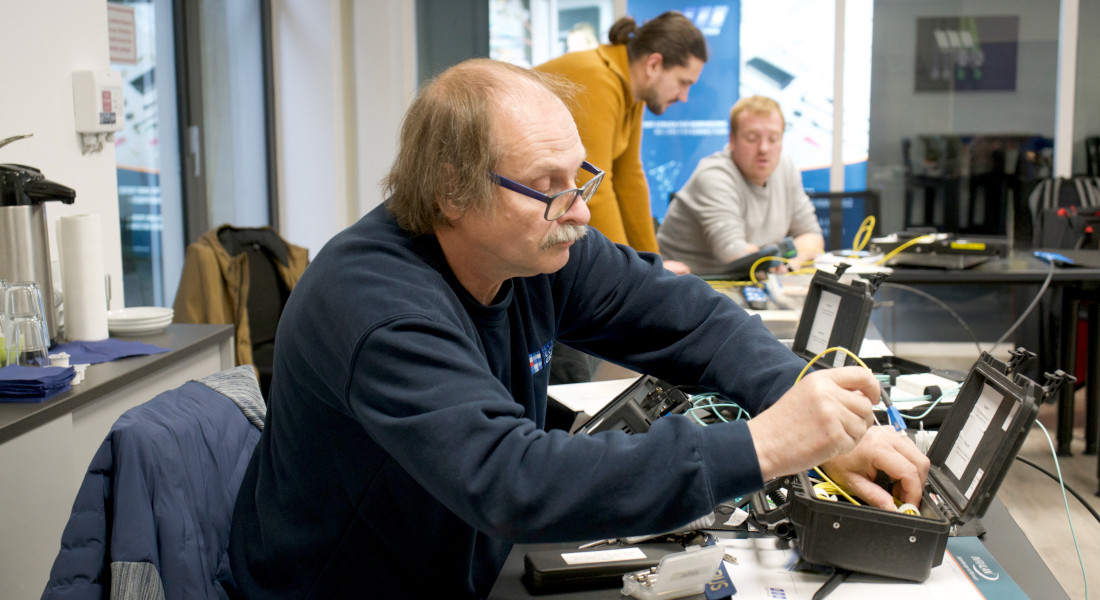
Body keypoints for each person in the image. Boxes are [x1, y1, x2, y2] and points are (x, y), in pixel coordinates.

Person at [228, 59, 929, 600]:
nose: (581, 211)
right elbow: (514, 480)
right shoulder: (374, 305)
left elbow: (695, 322)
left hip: (459, 566)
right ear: (451, 190)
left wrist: (825, 424)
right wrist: (765, 445)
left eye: (581, 177)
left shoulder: (540, 245)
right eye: (549, 185)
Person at [535, 11, 704, 276]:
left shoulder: (631, 90)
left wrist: (654, 267)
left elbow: (630, 179)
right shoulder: (599, 77)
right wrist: (629, 277)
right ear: (654, 65)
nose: (684, 96)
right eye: (683, 82)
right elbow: (595, 190)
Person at [657, 95, 826, 276]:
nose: (764, 148)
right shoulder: (713, 176)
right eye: (752, 138)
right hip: (690, 284)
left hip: (746, 284)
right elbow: (737, 255)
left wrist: (790, 263)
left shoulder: (785, 168)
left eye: (774, 138)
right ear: (732, 140)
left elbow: (812, 236)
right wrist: (776, 258)